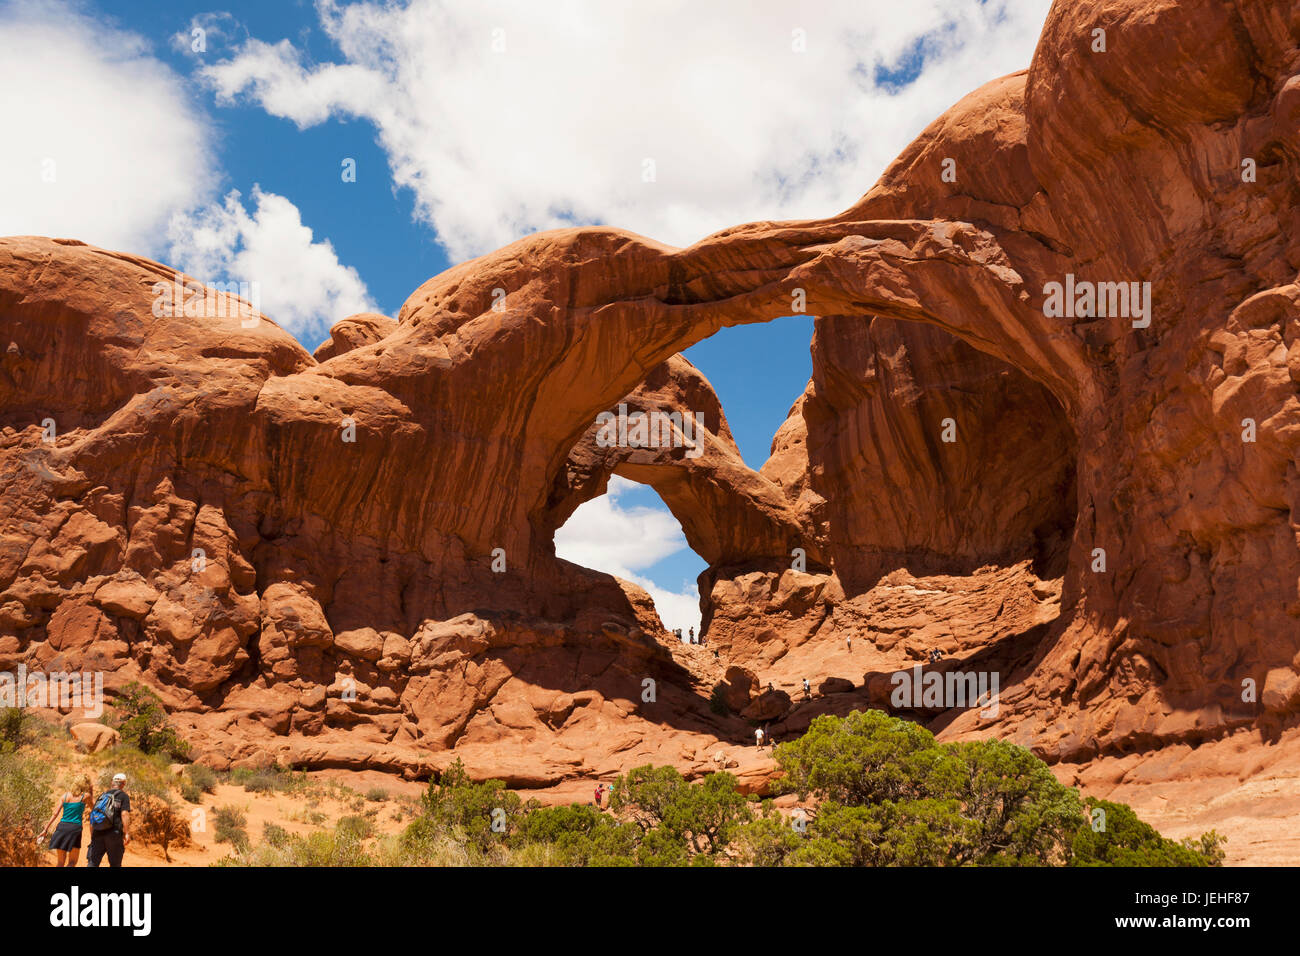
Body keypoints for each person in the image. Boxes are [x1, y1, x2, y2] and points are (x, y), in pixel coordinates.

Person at [40, 775, 93, 867]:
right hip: (74, 829)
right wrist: (91, 791)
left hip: (61, 828)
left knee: (60, 862)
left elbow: (55, 813)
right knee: (72, 862)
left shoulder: (65, 796)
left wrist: (45, 829)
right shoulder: (85, 796)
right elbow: (94, 808)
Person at [86, 773, 131, 868]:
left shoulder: (103, 795)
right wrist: (127, 833)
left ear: (112, 783)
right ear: (123, 784)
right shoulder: (123, 796)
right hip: (114, 833)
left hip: (98, 832)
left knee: (92, 863)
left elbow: (93, 815)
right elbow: (124, 814)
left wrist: (93, 835)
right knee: (115, 864)